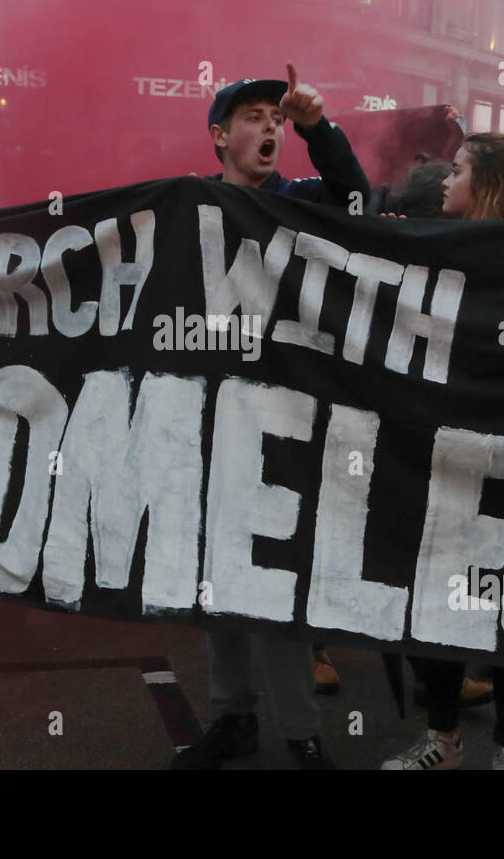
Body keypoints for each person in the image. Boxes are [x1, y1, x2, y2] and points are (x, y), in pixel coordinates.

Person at [171, 65, 369, 770]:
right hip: (210, 421)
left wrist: (319, 126)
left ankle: (302, 731)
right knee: (216, 580)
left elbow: (355, 196)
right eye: (255, 117)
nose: (271, 129)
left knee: (278, 577)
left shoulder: (304, 200)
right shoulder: (189, 204)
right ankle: (232, 718)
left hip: (287, 418)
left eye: (277, 120)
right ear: (221, 136)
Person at [381, 132, 504, 771]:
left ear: (489, 184)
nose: (446, 179)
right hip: (437, 457)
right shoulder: (427, 242)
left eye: (459, 170)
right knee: (436, 601)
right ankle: (444, 741)